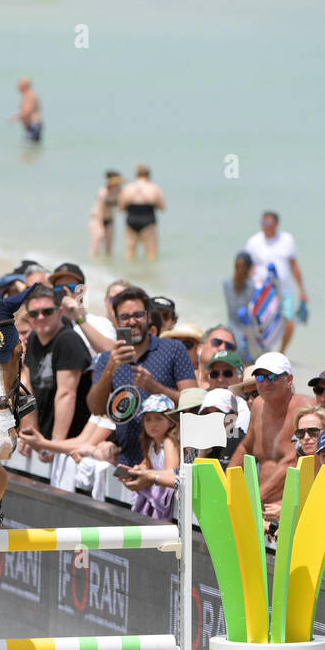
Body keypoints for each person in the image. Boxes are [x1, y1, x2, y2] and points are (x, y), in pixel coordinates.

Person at [86, 286, 198, 466]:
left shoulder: (173, 349)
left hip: (167, 462)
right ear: (116, 322)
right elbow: (96, 408)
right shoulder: (108, 359)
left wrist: (155, 387)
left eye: (138, 315)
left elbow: (193, 404)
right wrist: (109, 370)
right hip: (127, 462)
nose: (132, 321)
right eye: (125, 317)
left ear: (148, 317)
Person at [228, 352, 314, 504]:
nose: (265, 383)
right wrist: (226, 486)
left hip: (291, 505)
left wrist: (253, 500)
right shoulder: (258, 406)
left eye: (273, 377)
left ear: (289, 379)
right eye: (260, 377)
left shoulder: (305, 408)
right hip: (261, 505)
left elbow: (292, 462)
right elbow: (245, 448)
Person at [19, 284, 91, 445]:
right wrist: (31, 433)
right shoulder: (34, 340)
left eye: (47, 311)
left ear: (60, 312)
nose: (40, 317)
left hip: (70, 441)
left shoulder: (68, 340)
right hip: (45, 436)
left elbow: (67, 394)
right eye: (34, 313)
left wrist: (55, 444)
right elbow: (30, 392)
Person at [243, 212, 307, 353]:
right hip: (261, 291)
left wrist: (302, 291)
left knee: (289, 323)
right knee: (260, 323)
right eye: (262, 222)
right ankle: (260, 351)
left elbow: (294, 265)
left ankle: (281, 352)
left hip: (284, 290)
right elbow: (248, 267)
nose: (264, 226)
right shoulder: (254, 242)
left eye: (267, 223)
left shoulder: (287, 239)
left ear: (276, 224)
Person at [121, 395, 179, 520]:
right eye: (148, 419)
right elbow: (146, 465)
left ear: (171, 422)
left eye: (159, 419)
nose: (153, 424)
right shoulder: (152, 444)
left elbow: (171, 472)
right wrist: (136, 470)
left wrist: (146, 473)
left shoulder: (169, 442)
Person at [118, 164, 165, 262]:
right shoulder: (154, 188)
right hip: (148, 221)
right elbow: (162, 207)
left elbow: (121, 208)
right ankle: (150, 276)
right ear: (149, 175)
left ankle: (128, 275)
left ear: (136, 175)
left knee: (129, 253)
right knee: (151, 254)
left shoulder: (128, 188)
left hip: (131, 220)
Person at [89, 169, 121, 257]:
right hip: (97, 219)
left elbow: (120, 206)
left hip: (109, 220)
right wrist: (101, 226)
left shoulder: (118, 191)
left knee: (109, 247)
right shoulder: (103, 192)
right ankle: (94, 265)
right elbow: (100, 209)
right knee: (96, 243)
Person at [7, 77, 42, 144]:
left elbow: (28, 110)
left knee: (28, 146)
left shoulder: (29, 95)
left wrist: (14, 118)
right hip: (33, 125)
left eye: (19, 85)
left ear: (24, 85)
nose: (17, 87)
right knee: (31, 147)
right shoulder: (30, 95)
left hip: (33, 125)